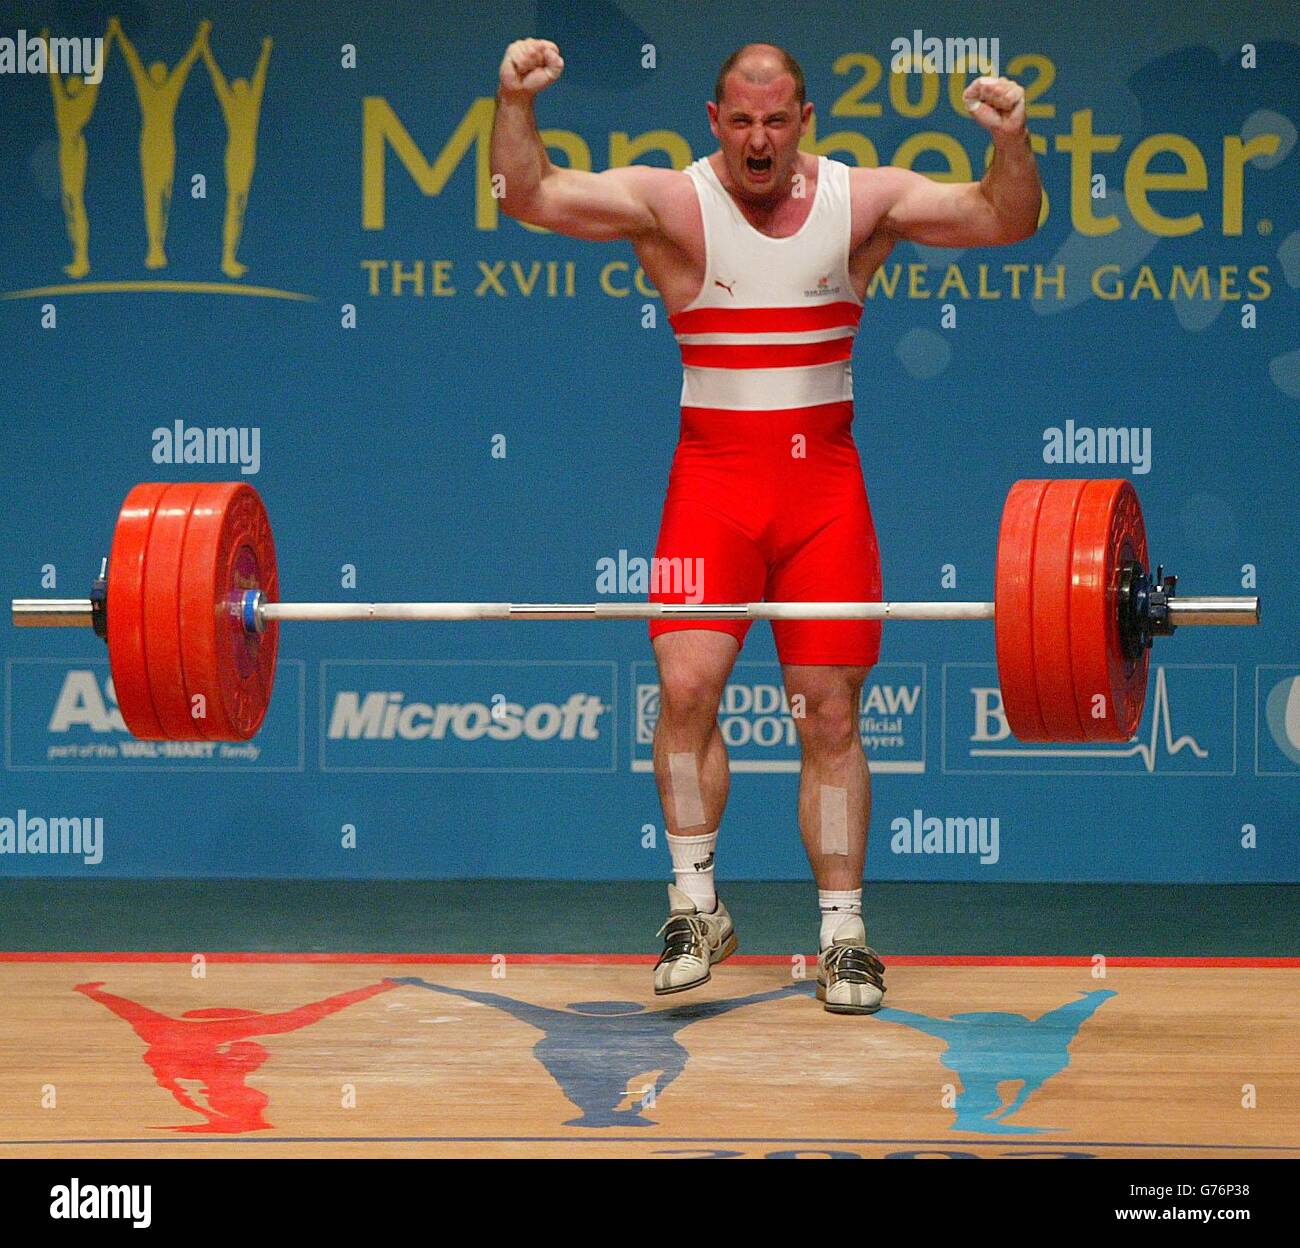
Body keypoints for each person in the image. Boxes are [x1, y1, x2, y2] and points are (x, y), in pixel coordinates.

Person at [492, 40, 1040, 1013]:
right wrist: (514, 101)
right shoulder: (671, 203)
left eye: (776, 120)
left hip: (822, 498)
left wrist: (1011, 139)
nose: (758, 139)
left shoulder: (861, 202)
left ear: (803, 119)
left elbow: (1005, 217)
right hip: (712, 491)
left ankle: (842, 936)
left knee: (827, 714)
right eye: (741, 121)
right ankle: (695, 905)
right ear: (713, 121)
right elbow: (526, 195)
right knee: (686, 686)